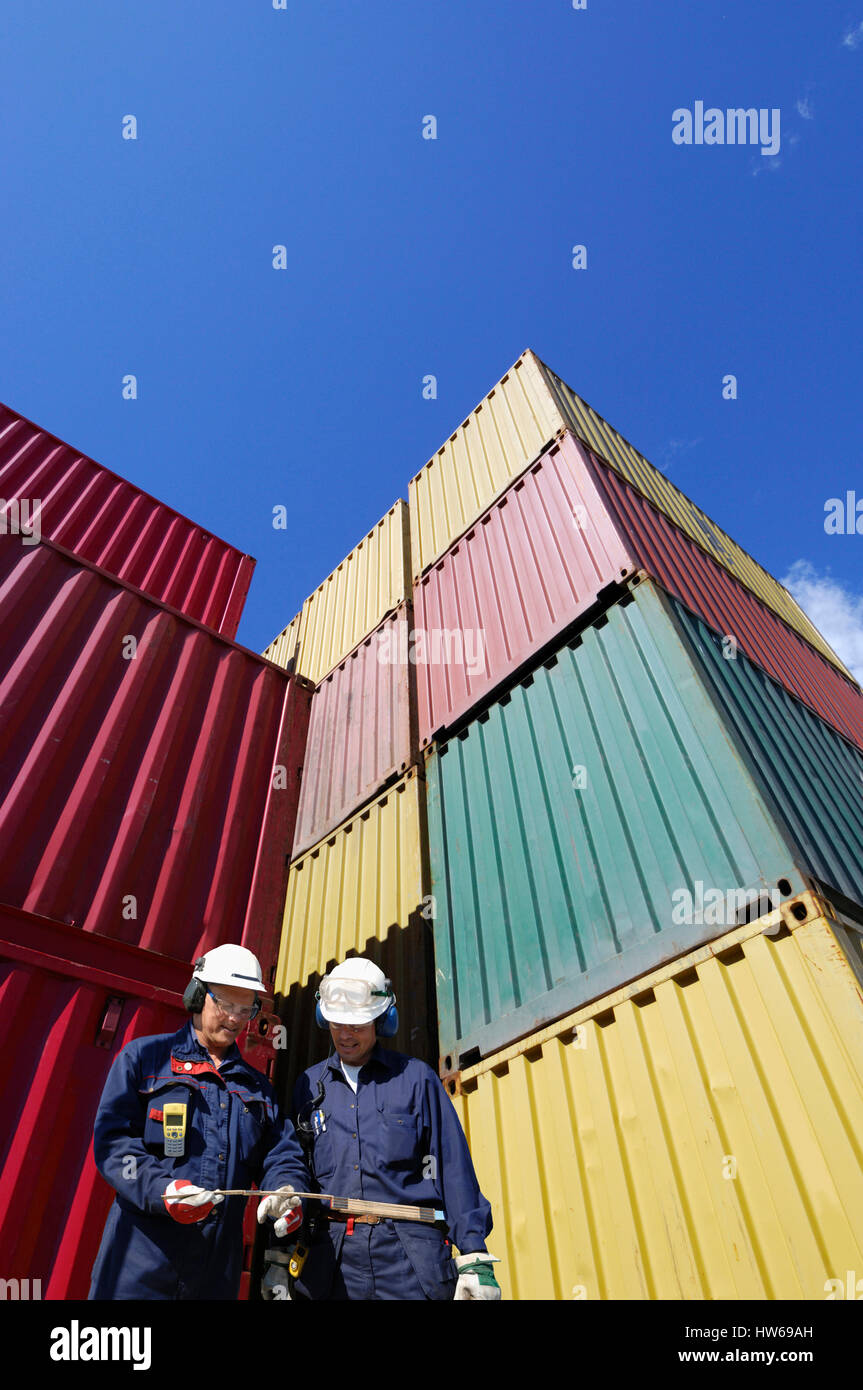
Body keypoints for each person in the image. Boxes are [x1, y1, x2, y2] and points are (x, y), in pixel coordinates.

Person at [264, 957, 501, 1301]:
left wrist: (474, 1256)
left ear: (382, 1020)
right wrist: (278, 1256)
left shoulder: (416, 1079)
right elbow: (293, 1170)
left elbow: (453, 1167)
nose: (345, 1035)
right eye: (337, 1024)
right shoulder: (308, 1085)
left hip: (409, 1262)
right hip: (331, 1262)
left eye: (357, 1026)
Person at [88, 943, 309, 1300]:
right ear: (197, 995)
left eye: (246, 1007)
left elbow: (279, 1153)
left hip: (213, 1276)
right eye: (225, 1004)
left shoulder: (257, 1089)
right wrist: (162, 1190)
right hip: (139, 1267)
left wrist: (285, 1187)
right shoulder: (145, 1060)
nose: (236, 1018)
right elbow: (114, 1144)